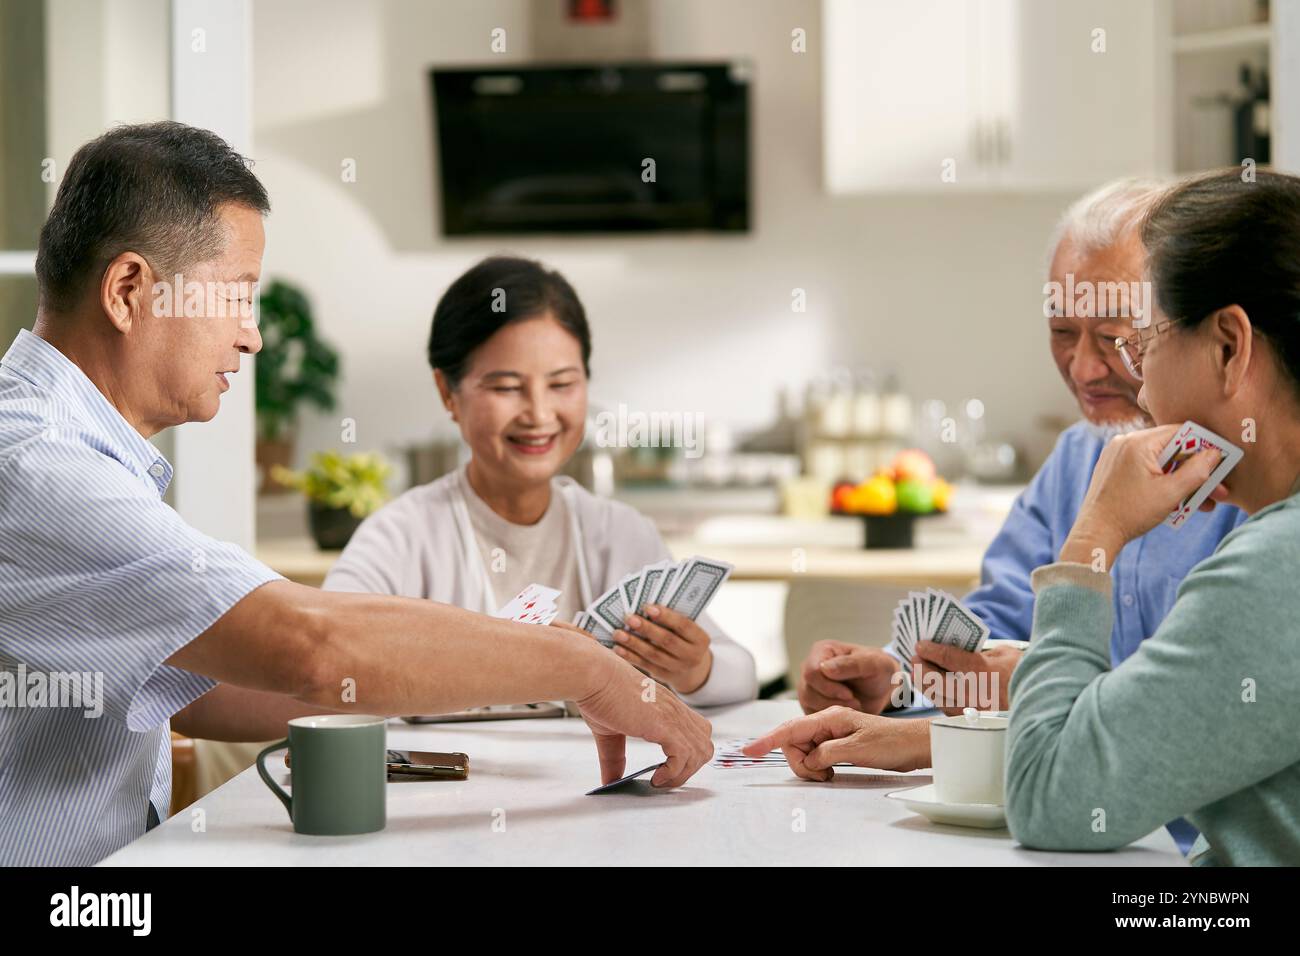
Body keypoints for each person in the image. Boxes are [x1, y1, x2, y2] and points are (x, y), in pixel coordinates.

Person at [0, 122, 712, 868]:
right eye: (237, 297)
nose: (253, 338)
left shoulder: (77, 451)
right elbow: (309, 643)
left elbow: (205, 688)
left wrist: (494, 666)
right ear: (128, 291)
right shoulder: (39, 466)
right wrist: (585, 669)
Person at [750, 169, 1300, 866]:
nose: (1100, 369)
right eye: (1063, 332)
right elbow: (1044, 672)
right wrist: (912, 694)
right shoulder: (1102, 466)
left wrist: (1092, 539)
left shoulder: (1273, 566)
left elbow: (1064, 791)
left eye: (1140, 340)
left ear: (1228, 347)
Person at [323, 256, 757, 706]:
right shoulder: (401, 535)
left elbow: (741, 673)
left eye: (562, 384)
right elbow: (329, 656)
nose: (539, 414)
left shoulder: (617, 533)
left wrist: (694, 669)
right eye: (507, 387)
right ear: (447, 393)